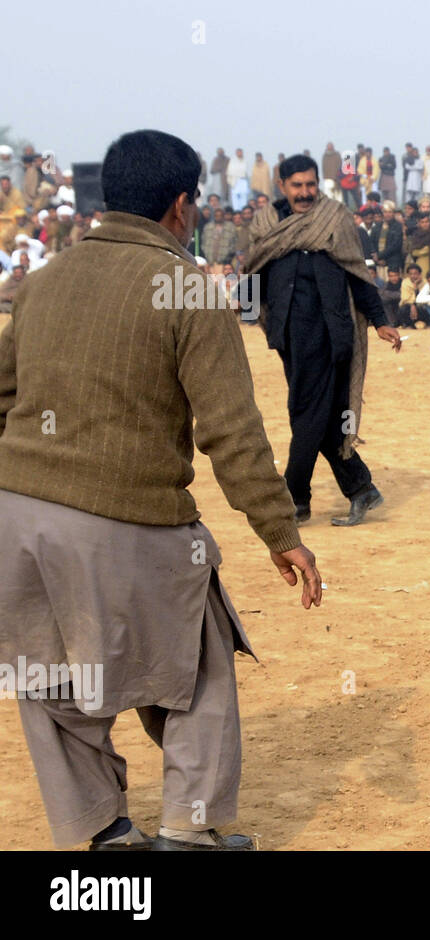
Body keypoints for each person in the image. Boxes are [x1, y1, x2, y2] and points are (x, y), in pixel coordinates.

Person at [0, 128, 323, 852]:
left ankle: (102, 833)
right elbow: (232, 434)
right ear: (181, 207)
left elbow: (1, 401)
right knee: (198, 664)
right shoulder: (189, 292)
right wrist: (283, 535)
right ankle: (191, 830)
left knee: (51, 683)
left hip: (17, 516)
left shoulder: (42, 282)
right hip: (131, 517)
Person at [245, 154, 403, 527]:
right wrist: (247, 312)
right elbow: (254, 270)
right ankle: (361, 488)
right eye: (297, 185)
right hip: (288, 336)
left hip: (331, 335)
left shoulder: (334, 219)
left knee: (307, 417)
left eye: (311, 185)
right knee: (323, 418)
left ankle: (293, 499)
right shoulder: (266, 223)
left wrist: (380, 320)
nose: (305, 193)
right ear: (281, 186)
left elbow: (356, 273)